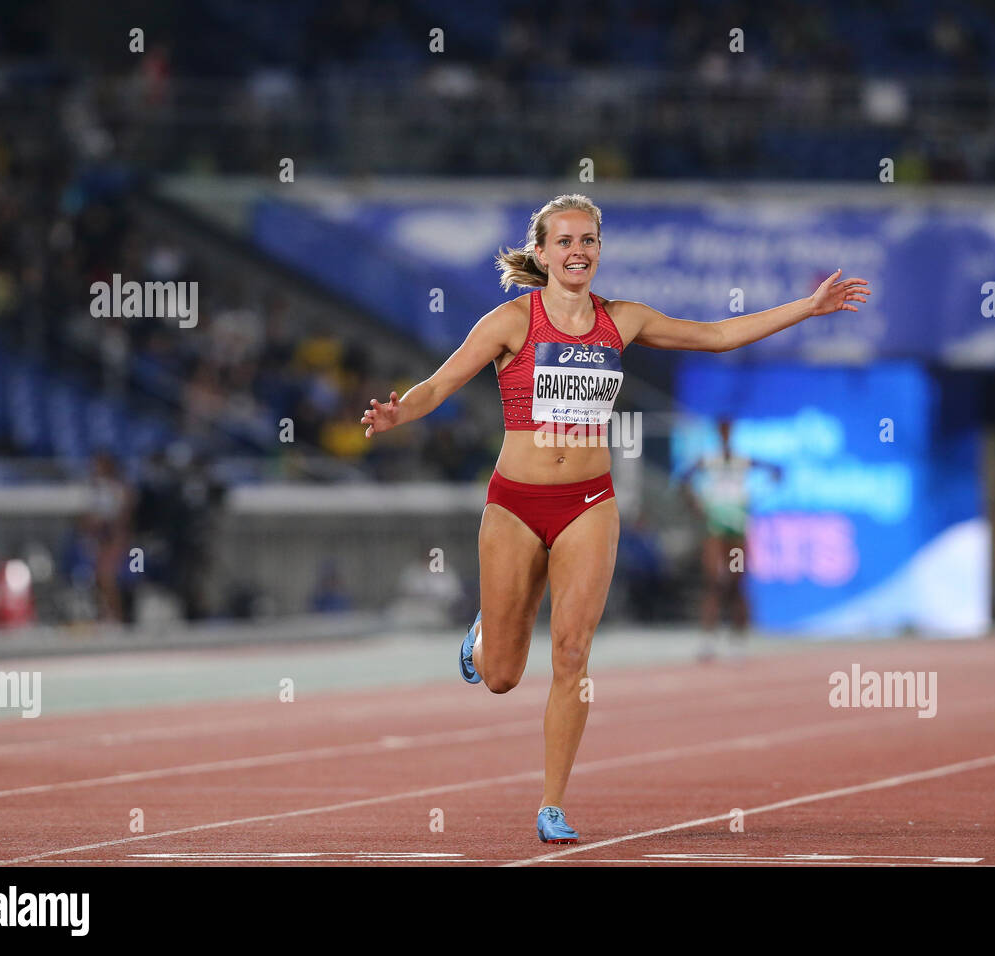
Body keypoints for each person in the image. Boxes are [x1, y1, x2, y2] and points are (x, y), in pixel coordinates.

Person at [360, 194, 869, 843]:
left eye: (588, 241)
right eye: (565, 242)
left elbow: (715, 335)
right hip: (515, 503)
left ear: (599, 251)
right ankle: (485, 637)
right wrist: (401, 412)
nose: (577, 252)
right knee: (502, 677)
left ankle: (551, 804)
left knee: (572, 652)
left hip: (588, 504)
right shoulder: (511, 322)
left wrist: (809, 307)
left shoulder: (622, 320)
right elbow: (438, 384)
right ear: (541, 253)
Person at [678, 419, 783, 661]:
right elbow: (683, 479)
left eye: (728, 431)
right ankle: (708, 641)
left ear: (731, 433)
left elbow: (777, 470)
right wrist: (696, 504)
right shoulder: (710, 459)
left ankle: (738, 639)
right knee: (713, 581)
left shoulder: (741, 460)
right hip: (716, 525)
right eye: (722, 431)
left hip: (737, 526)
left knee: (737, 583)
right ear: (718, 433)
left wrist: (755, 497)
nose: (725, 435)